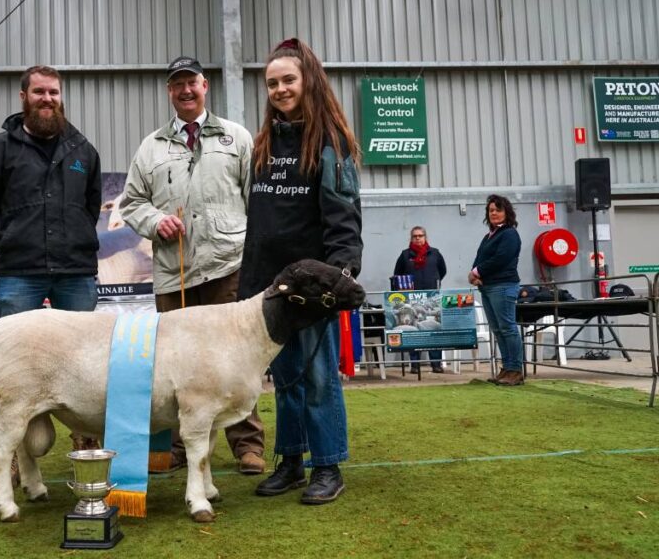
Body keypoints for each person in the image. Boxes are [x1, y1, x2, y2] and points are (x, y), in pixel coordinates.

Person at [120, 56, 265, 475]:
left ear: (205, 86)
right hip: (174, 273)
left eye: (192, 83)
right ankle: (178, 447)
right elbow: (131, 202)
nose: (185, 90)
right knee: (173, 363)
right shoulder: (151, 147)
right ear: (170, 92)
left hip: (227, 267)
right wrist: (153, 220)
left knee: (234, 361)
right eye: (177, 84)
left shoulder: (237, 138)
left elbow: (257, 200)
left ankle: (247, 445)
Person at [239, 38, 363, 504]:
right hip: (272, 288)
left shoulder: (332, 142)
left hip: (313, 288)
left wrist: (340, 276)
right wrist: (251, 285)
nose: (280, 89)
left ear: (308, 80)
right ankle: (290, 461)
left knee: (318, 379)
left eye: (288, 80)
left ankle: (327, 465)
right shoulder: (264, 143)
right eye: (272, 83)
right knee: (286, 378)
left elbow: (344, 214)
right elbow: (261, 223)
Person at [0, 65, 103, 457]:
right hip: (19, 274)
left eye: (54, 93)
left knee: (88, 362)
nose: (47, 99)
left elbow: (90, 208)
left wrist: (73, 239)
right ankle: (12, 450)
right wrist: (13, 242)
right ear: (23, 97)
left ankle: (86, 439)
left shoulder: (83, 151)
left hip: (75, 273)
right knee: (15, 364)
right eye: (39, 92)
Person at [468, 194, 524, 386]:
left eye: (498, 210)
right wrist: (475, 274)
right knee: (499, 330)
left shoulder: (509, 234)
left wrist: (476, 271)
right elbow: (480, 256)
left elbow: (501, 258)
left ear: (506, 212)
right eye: (491, 210)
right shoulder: (489, 236)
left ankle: (515, 370)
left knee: (508, 328)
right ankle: (507, 368)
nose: (494, 213)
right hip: (488, 287)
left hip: (503, 286)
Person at [392, 226, 447, 374]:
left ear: (425, 237)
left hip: (432, 298)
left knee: (434, 330)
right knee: (413, 330)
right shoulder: (405, 255)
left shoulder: (435, 253)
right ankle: (415, 365)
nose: (418, 238)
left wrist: (433, 283)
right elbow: (397, 274)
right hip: (411, 299)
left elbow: (442, 271)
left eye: (420, 235)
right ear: (411, 238)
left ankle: (436, 364)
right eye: (415, 236)